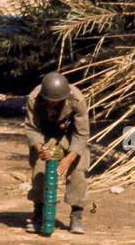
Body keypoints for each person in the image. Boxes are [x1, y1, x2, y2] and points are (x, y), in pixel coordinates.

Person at [24, 71, 90, 234]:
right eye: (49, 102)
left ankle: (76, 216)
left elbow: (81, 134)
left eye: (57, 102)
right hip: (45, 136)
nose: (52, 105)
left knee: (77, 173)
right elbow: (32, 128)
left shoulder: (77, 99)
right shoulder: (34, 98)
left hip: (70, 136)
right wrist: (40, 150)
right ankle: (39, 214)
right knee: (40, 170)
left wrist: (68, 159)